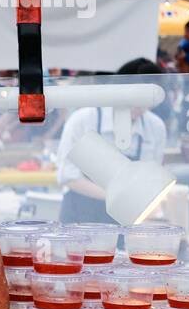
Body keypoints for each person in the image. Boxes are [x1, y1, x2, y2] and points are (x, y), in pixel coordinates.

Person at [56, 58, 168, 224]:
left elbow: (149, 180)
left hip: (124, 220)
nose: (141, 107)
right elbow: (68, 177)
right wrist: (117, 197)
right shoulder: (84, 120)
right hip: (80, 218)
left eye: (148, 101)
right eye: (136, 98)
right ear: (119, 90)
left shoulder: (155, 127)